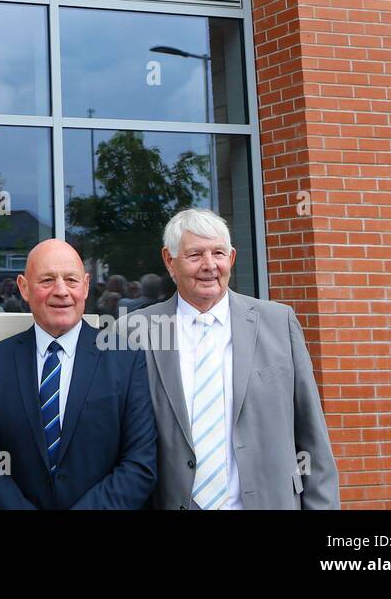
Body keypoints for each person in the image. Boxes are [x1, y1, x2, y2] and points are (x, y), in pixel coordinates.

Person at [126, 209, 339, 509]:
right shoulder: (136, 331)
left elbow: (312, 436)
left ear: (232, 258)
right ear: (169, 260)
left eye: (218, 253)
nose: (209, 265)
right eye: (195, 255)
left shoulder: (278, 323)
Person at [0, 239, 156, 509]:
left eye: (71, 280)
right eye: (47, 280)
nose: (61, 291)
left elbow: (139, 463)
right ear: (24, 288)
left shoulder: (125, 359)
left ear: (86, 286)